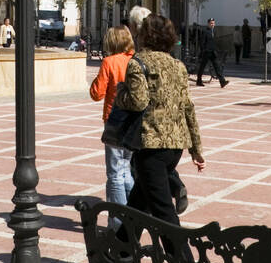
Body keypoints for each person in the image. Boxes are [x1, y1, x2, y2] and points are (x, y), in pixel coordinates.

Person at [114, 15, 204, 227]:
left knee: (164, 214)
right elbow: (188, 107)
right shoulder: (178, 65)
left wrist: (119, 92)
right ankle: (123, 253)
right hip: (175, 147)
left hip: (150, 146)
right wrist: (196, 150)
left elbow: (137, 101)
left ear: (144, 35)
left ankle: (182, 260)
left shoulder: (138, 62)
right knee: (138, 204)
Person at [90, 25, 136, 210]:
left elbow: (97, 93)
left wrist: (98, 77)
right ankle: (134, 211)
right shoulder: (136, 60)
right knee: (126, 168)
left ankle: (118, 221)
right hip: (133, 121)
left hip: (114, 121)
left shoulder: (109, 62)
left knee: (115, 173)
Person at [195, 17, 228, 88]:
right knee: (202, 67)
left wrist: (216, 49)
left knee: (217, 66)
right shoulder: (205, 31)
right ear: (208, 24)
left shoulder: (213, 31)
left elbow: (213, 42)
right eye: (211, 23)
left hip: (213, 52)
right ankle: (199, 80)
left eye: (213, 23)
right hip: (207, 52)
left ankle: (222, 81)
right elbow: (202, 42)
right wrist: (204, 50)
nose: (212, 24)